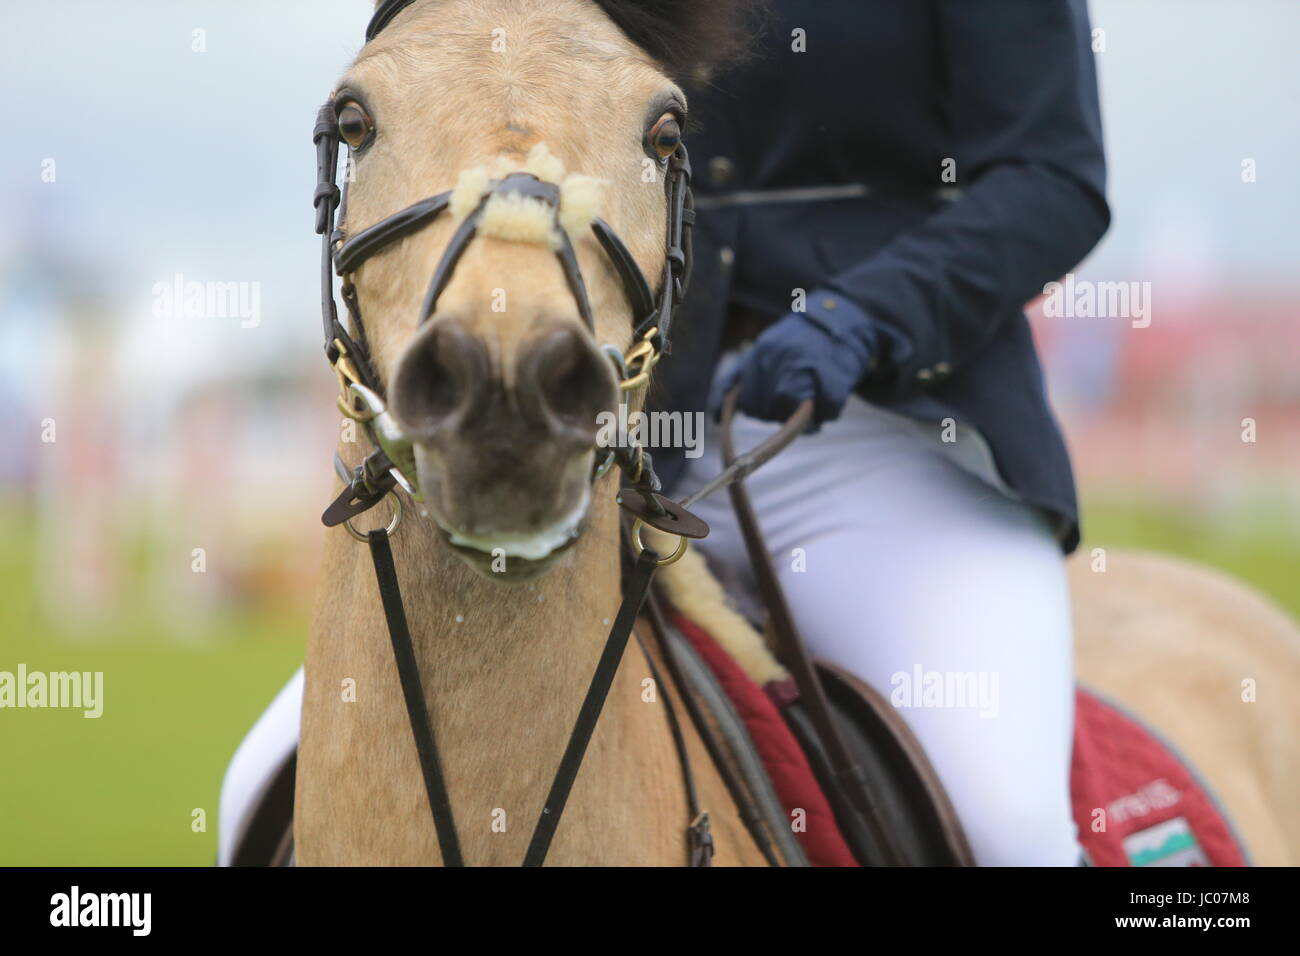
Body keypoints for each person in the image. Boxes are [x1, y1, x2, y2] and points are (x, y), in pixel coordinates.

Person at [652, 0, 1110, 865]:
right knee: (320, 744)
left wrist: (867, 314)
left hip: (883, 442)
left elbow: (1052, 183)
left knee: (1006, 830)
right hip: (610, 449)